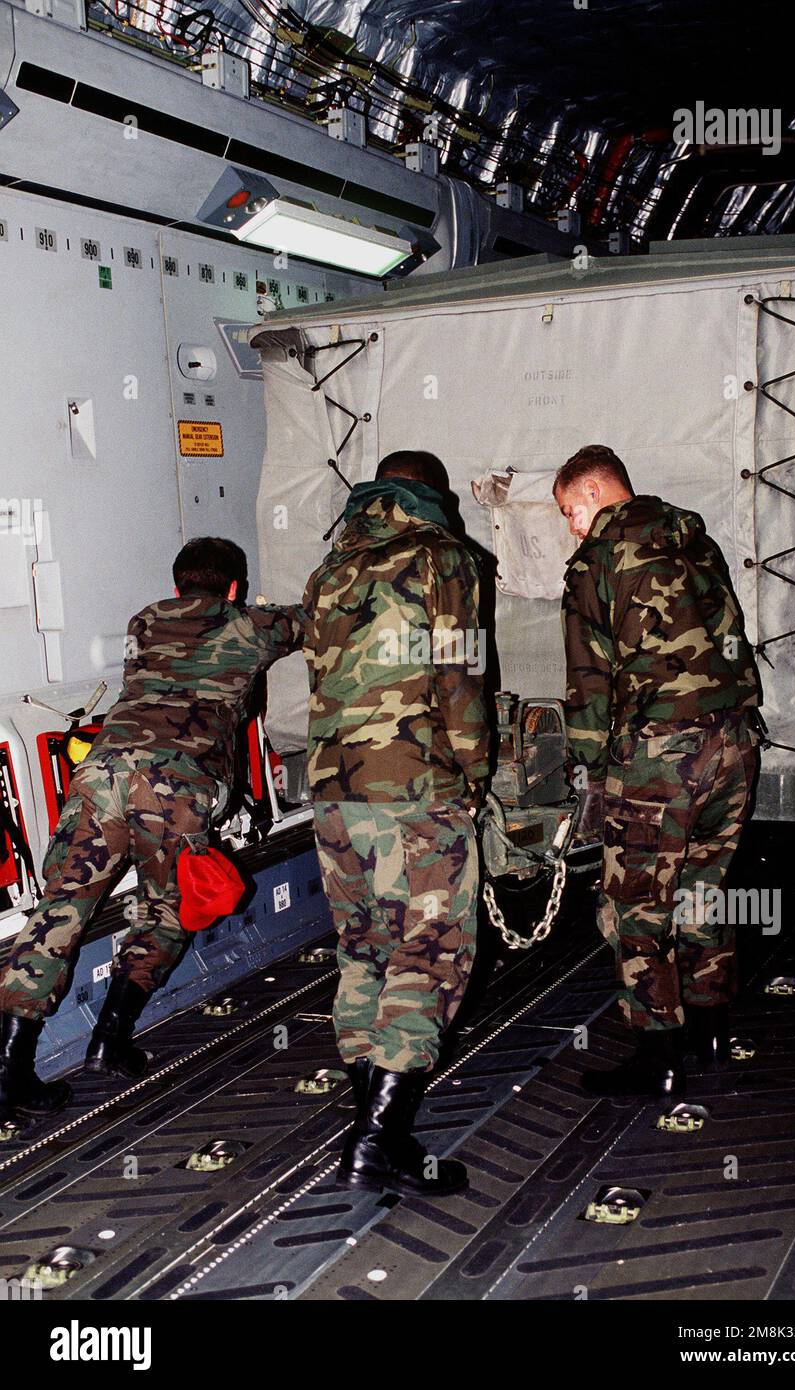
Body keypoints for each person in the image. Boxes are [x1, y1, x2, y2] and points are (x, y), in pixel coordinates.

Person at [0, 537, 305, 1125]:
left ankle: (9, 1071)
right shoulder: (249, 623)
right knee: (167, 910)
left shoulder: (145, 618)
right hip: (173, 785)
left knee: (60, 911)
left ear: (176, 584)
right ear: (235, 587)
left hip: (101, 774)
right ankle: (110, 1037)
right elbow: (316, 622)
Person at [304, 450, 489, 1195]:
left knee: (363, 951)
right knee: (432, 951)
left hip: (332, 789)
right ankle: (378, 1141)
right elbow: (460, 673)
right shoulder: (446, 555)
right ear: (431, 496)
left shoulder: (330, 566)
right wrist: (473, 772)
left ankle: (374, 1129)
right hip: (417, 785)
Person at [554, 445, 762, 1097]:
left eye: (568, 511)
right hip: (733, 738)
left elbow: (587, 680)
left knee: (636, 903)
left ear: (592, 493)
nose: (569, 527)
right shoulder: (693, 540)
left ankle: (655, 1055)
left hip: (660, 752)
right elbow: (732, 637)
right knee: (705, 884)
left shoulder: (594, 560)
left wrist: (586, 772)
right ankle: (709, 1029)